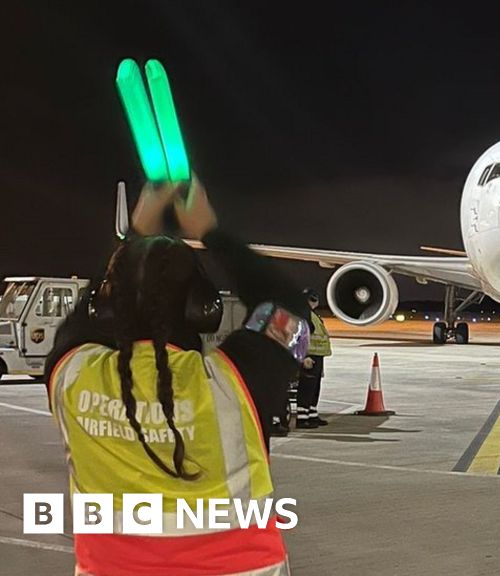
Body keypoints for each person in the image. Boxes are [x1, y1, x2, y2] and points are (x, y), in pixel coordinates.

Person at [45, 178, 308, 576]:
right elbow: (292, 312)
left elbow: (83, 320)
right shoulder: (235, 381)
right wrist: (211, 232)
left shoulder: (75, 376)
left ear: (110, 303)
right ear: (203, 308)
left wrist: (133, 234)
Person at [295, 288, 332, 428]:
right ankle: (302, 418)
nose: (314, 302)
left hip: (317, 356)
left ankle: (311, 414)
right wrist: (304, 357)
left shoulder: (312, 315)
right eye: (312, 299)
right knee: (307, 387)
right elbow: (300, 338)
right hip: (309, 356)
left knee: (314, 388)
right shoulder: (304, 315)